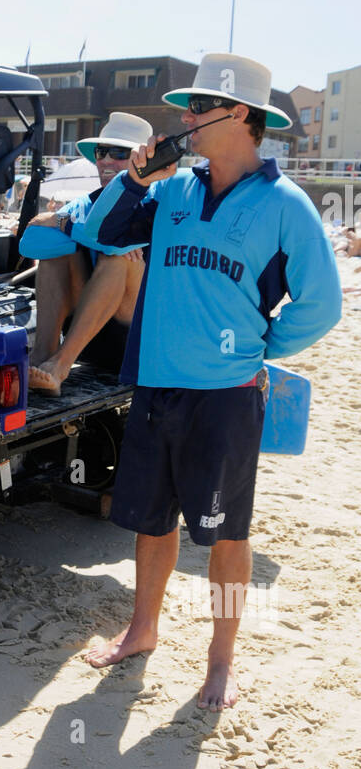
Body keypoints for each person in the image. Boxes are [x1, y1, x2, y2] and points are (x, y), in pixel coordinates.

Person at [79, 53, 342, 710]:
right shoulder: (171, 191)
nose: (185, 119)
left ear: (241, 116)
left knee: (226, 535)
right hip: (156, 387)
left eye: (198, 108)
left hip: (225, 397)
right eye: (186, 108)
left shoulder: (285, 205)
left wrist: (260, 347)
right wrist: (135, 178)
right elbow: (97, 230)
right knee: (151, 521)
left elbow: (322, 304)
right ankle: (141, 630)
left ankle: (220, 662)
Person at [24, 114, 153, 394]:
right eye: (101, 152)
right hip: (89, 332)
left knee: (118, 259)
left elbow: (116, 246)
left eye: (119, 153)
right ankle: (43, 354)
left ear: (142, 160)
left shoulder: (155, 203)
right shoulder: (87, 202)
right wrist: (70, 226)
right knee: (54, 247)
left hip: (136, 338)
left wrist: (69, 226)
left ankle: (60, 364)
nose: (106, 160)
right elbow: (30, 239)